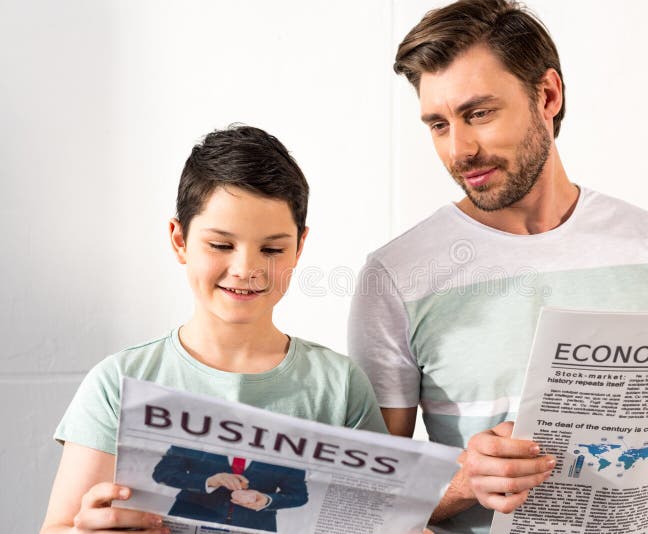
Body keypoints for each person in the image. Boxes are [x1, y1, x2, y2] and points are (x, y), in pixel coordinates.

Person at [347, 1, 648, 532]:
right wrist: (464, 482)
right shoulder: (396, 275)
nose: (459, 149)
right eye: (438, 124)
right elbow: (362, 503)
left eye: (479, 114)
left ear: (547, 95)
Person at [40, 125, 387, 534]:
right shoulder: (118, 383)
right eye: (221, 245)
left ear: (299, 247)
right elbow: (57, 527)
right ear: (179, 240)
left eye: (272, 249)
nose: (246, 269)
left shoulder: (340, 387)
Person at [152, 446, 307, 532]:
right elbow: (163, 473)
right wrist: (209, 481)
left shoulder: (290, 450)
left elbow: (298, 495)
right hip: (190, 520)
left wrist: (267, 500)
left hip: (254, 525)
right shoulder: (194, 434)